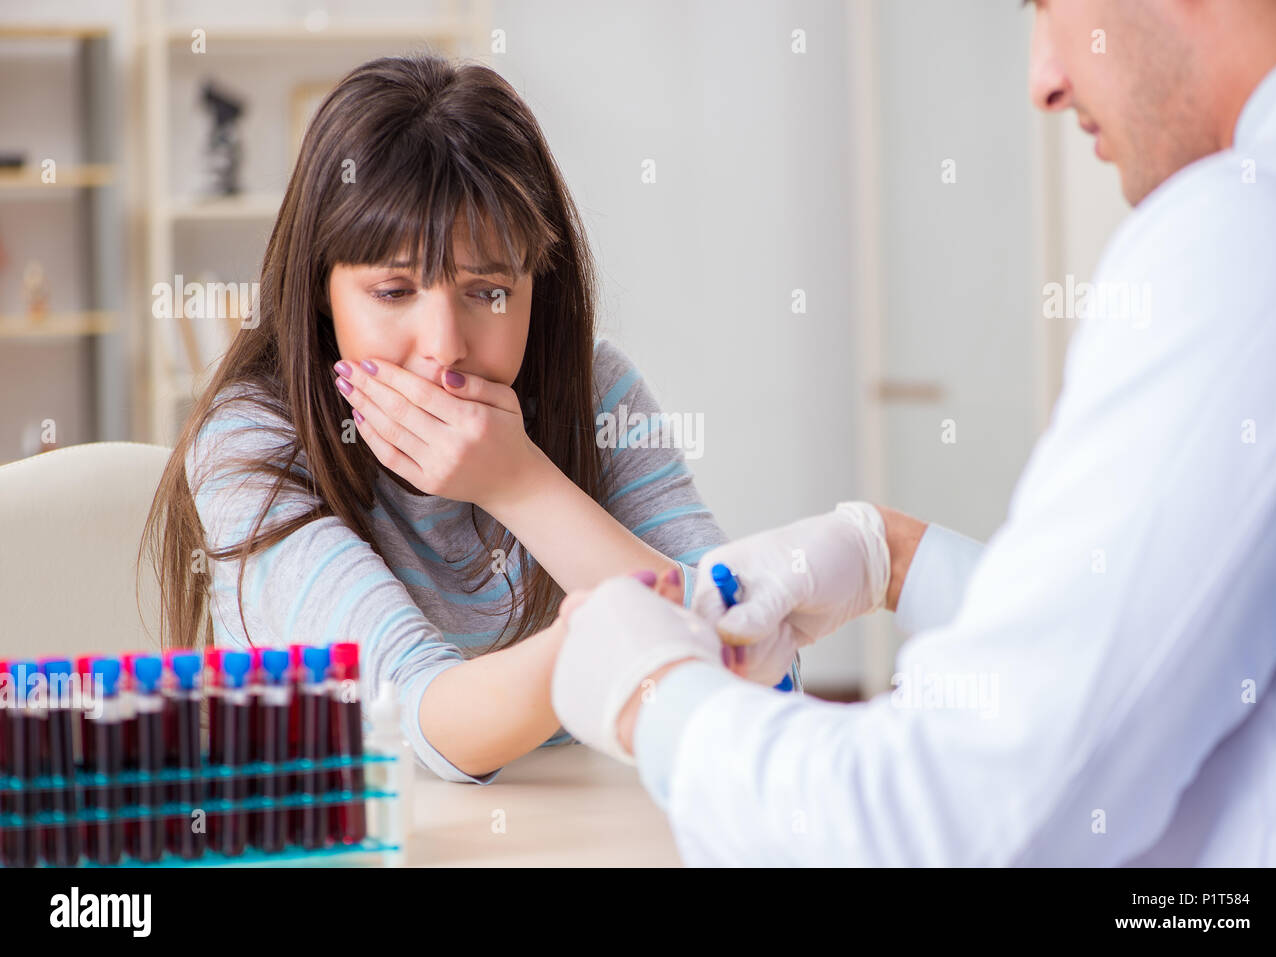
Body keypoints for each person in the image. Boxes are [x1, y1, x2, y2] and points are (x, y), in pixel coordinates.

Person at [551, 0, 1276, 865]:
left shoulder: (1245, 233)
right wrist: (893, 556)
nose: (1043, 80)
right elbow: (1176, 643)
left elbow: (958, 823)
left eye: (1048, 5)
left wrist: (655, 697)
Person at [139, 55, 801, 785]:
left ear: (534, 286)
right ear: (324, 291)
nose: (445, 347)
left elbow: (761, 665)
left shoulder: (598, 393)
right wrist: (616, 634)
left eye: (486, 291)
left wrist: (521, 484)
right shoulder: (250, 440)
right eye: (393, 291)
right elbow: (425, 719)